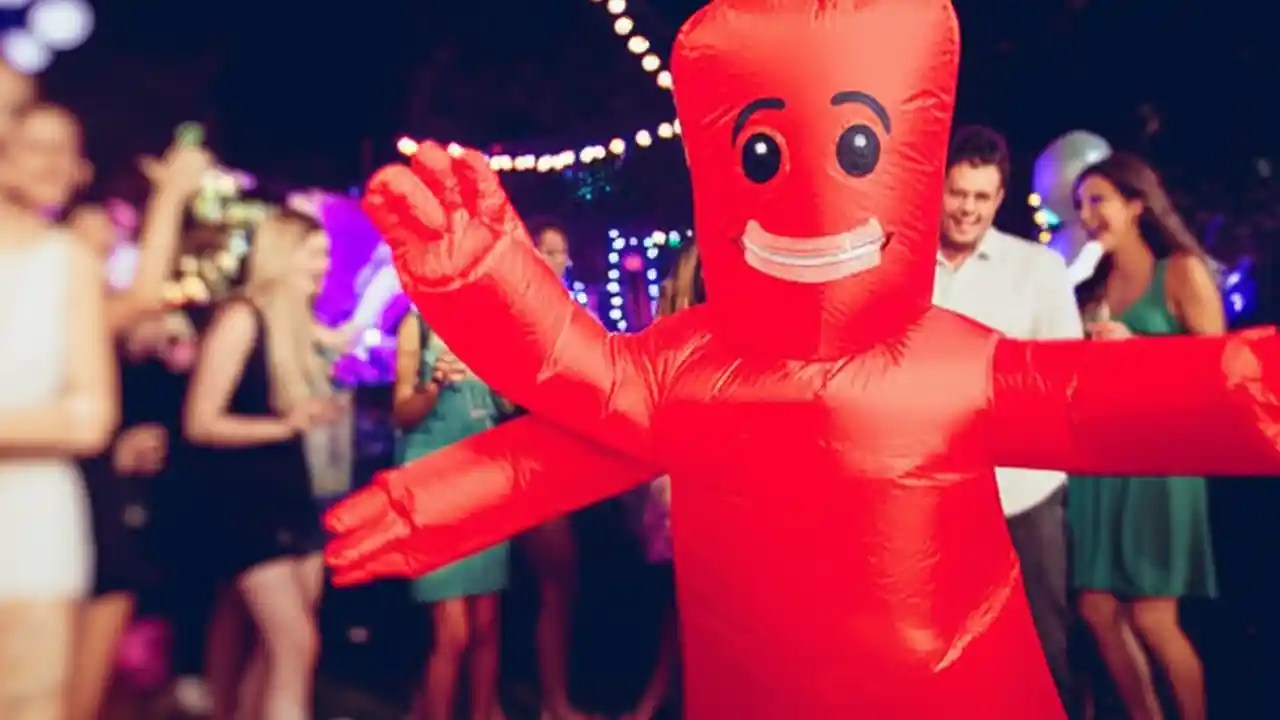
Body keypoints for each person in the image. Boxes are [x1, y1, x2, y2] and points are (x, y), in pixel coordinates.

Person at [930, 125, 1082, 716]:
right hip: (936, 493)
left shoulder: (1037, 268)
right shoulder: (908, 271)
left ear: (998, 199)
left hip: (1024, 489)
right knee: (946, 641)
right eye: (956, 193)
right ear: (938, 191)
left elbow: (1063, 374)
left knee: (1044, 636)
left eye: (979, 196)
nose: (966, 208)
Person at [1069, 153, 1222, 720]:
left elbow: (1218, 374)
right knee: (1096, 608)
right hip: (1103, 465)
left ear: (1136, 204)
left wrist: (1139, 353)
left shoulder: (1180, 271)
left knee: (1154, 618)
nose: (1087, 214)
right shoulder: (1091, 286)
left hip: (1161, 466)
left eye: (1099, 200)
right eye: (1081, 203)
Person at [184, 210, 340, 720]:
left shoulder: (288, 324)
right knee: (296, 645)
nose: (324, 265)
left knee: (277, 651)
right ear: (282, 254)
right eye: (314, 254)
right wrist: (287, 425)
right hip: (245, 503)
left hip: (290, 495)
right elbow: (201, 422)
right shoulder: (241, 317)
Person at [0, 103, 118, 718]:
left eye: (65, 149)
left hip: (33, 533)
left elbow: (90, 417)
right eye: (35, 145)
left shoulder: (70, 261)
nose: (52, 162)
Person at [394, 306, 509, 720]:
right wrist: (435, 385)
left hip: (488, 481)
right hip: (434, 486)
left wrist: (504, 381)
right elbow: (402, 413)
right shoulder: (419, 324)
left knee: (486, 625)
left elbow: (511, 407)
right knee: (452, 631)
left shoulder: (494, 323)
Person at [516, 220, 587, 720]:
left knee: (558, 586)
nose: (552, 257)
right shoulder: (519, 315)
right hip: (531, 461)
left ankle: (551, 697)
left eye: (559, 251)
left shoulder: (568, 315)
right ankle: (552, 704)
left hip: (564, 460)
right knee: (552, 585)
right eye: (543, 249)